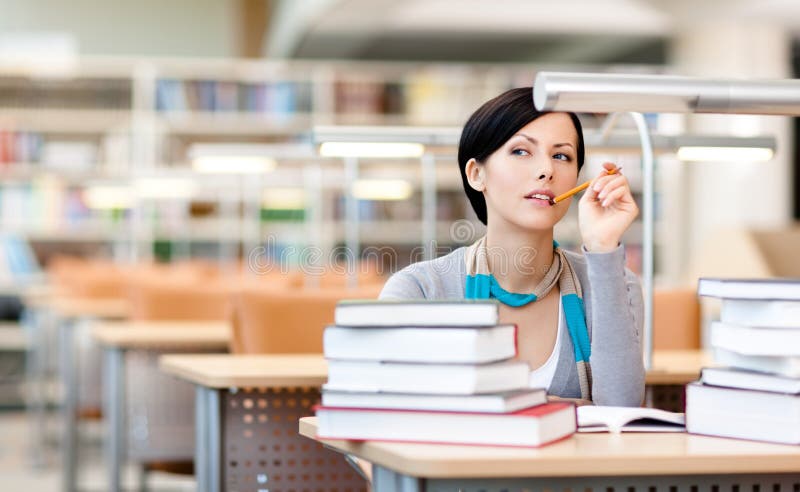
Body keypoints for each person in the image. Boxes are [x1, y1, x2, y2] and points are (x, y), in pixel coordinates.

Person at [380, 87, 645, 406]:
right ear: (477, 174)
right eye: (521, 151)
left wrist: (603, 248)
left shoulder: (616, 284)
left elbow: (621, 411)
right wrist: (566, 407)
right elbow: (394, 421)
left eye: (561, 155)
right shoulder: (419, 291)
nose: (547, 170)